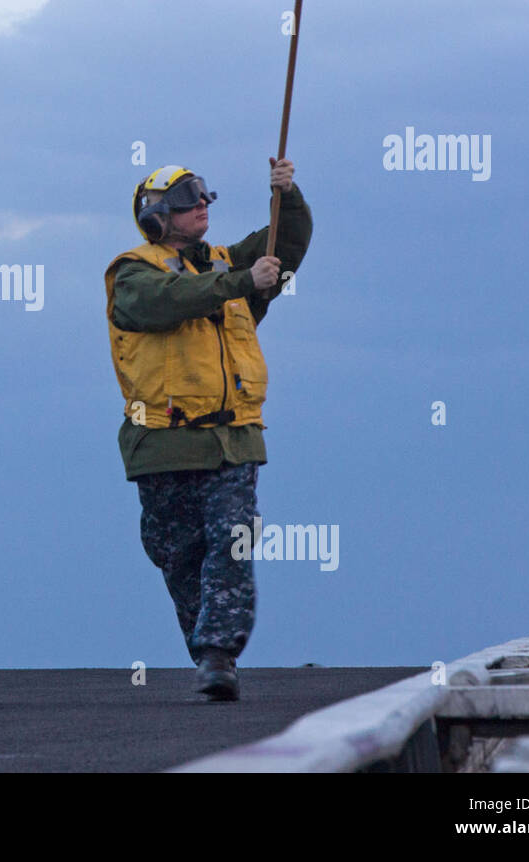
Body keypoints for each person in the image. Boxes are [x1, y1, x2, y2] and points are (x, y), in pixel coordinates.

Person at [103, 158, 311, 700]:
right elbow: (163, 303)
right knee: (178, 553)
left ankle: (220, 655)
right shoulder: (133, 272)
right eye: (185, 203)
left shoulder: (225, 263)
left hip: (233, 441)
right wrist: (241, 281)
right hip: (163, 447)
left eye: (202, 200)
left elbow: (282, 245)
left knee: (233, 538)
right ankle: (206, 649)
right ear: (155, 220)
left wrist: (287, 195)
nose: (201, 207)